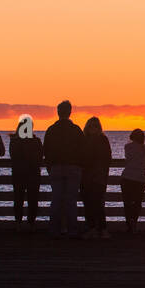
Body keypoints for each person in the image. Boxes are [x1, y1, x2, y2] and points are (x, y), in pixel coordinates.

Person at [44, 101, 84, 237]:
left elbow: (46, 150)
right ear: (70, 112)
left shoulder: (51, 130)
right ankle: (72, 230)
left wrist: (50, 167)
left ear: (58, 112)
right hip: (73, 167)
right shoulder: (76, 130)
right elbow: (82, 149)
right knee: (71, 201)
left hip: (56, 167)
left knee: (56, 199)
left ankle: (54, 230)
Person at [79, 117, 112, 238]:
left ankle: (102, 229)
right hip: (87, 177)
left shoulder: (102, 140)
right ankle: (92, 228)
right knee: (88, 203)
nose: (93, 128)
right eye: (91, 126)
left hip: (98, 176)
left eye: (95, 126)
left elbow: (107, 158)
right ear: (87, 127)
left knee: (98, 203)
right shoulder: (85, 140)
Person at [9, 120, 43, 229]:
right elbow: (40, 157)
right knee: (33, 199)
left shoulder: (14, 142)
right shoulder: (36, 141)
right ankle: (31, 223)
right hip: (33, 174)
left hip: (18, 174)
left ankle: (18, 222)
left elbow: (12, 156)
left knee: (18, 198)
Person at [121, 128, 145, 233]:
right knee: (137, 202)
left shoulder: (127, 147)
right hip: (140, 179)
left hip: (127, 177)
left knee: (127, 202)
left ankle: (128, 224)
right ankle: (134, 223)